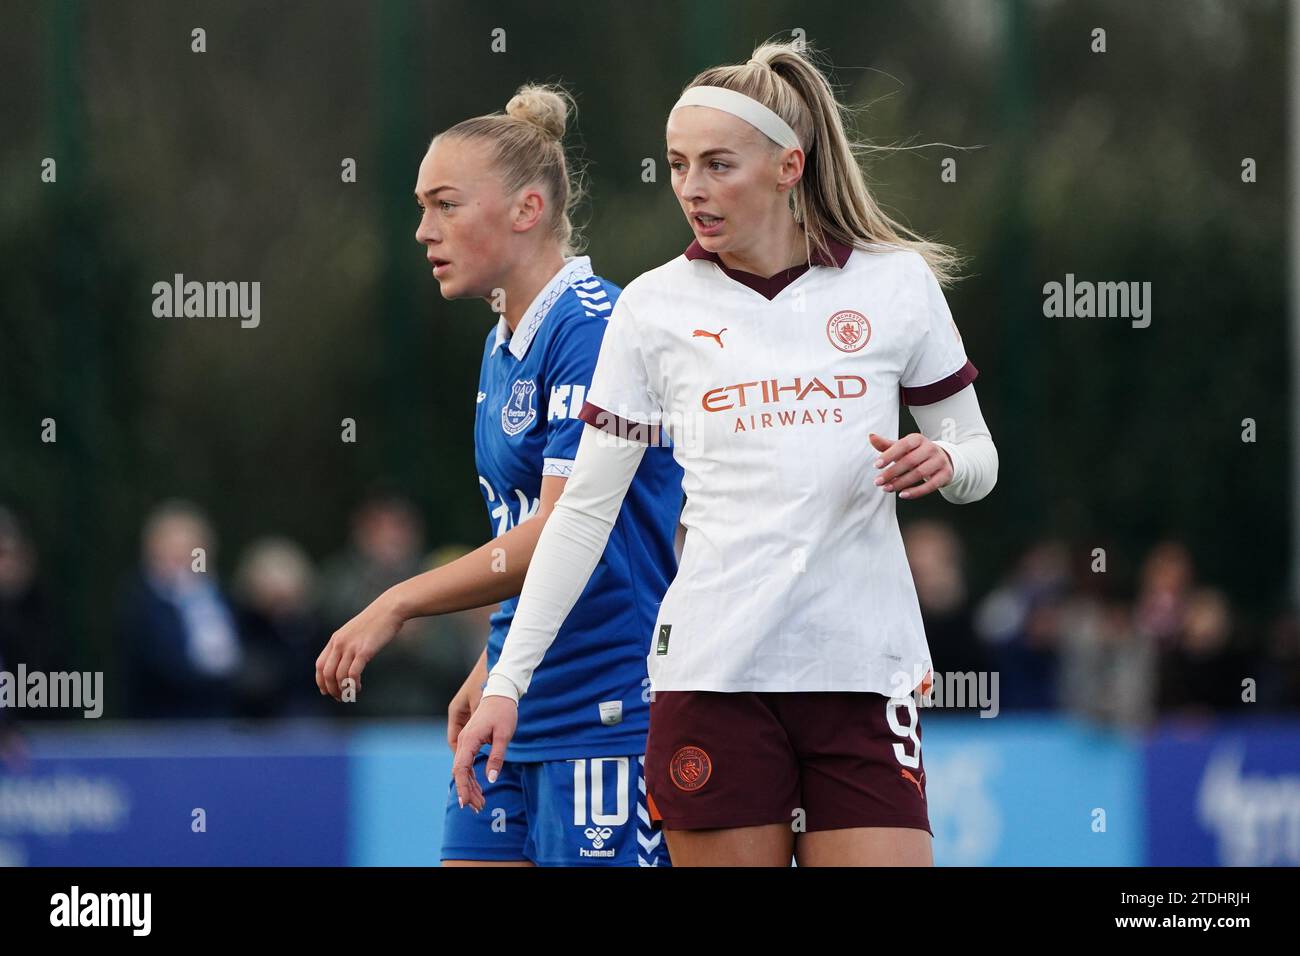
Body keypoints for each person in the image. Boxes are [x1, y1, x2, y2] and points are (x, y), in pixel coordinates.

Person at [454, 42, 999, 867]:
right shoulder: (653, 307)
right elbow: (582, 518)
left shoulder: (896, 284)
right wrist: (507, 683)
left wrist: (947, 463)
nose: (692, 189)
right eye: (677, 165)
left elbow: (977, 452)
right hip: (711, 681)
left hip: (862, 673)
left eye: (717, 164)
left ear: (789, 165)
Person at [315, 84, 683, 867]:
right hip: (516, 699)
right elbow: (517, 526)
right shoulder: (502, 340)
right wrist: (493, 663)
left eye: (445, 205)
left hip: (603, 708)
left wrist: (400, 600)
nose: (423, 230)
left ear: (527, 209)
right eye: (421, 207)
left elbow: (562, 527)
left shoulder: (594, 328)